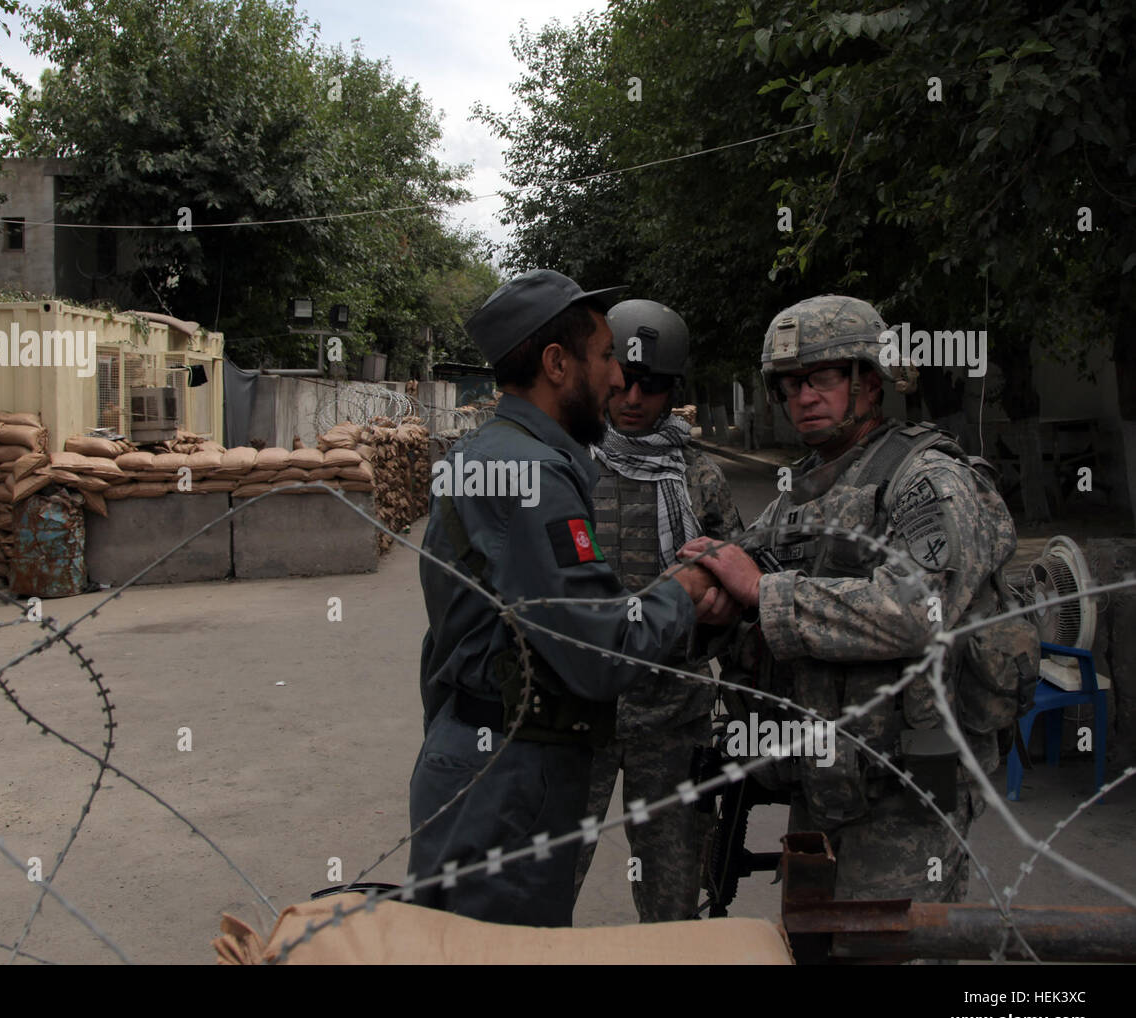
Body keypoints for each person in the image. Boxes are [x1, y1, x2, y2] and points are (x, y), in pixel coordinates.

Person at [409, 270, 734, 927]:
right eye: (608, 355)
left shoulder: (501, 454)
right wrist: (692, 585)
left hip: (495, 757)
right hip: (510, 776)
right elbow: (596, 647)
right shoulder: (532, 473)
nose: (620, 381)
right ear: (558, 364)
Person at [680, 294, 1019, 904]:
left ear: (869, 381)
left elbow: (917, 609)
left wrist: (762, 592)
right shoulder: (807, 486)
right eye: (790, 383)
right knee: (818, 938)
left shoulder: (928, 479)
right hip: (829, 777)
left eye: (824, 377)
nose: (804, 396)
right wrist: (721, 600)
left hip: (908, 783)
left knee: (887, 943)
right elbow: (748, 569)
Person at [572, 299, 742, 922]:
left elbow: (741, 588)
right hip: (579, 714)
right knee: (544, 885)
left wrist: (716, 615)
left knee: (671, 900)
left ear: (673, 391)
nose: (634, 397)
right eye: (625, 380)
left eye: (653, 385)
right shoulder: (571, 467)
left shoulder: (701, 479)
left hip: (672, 716)